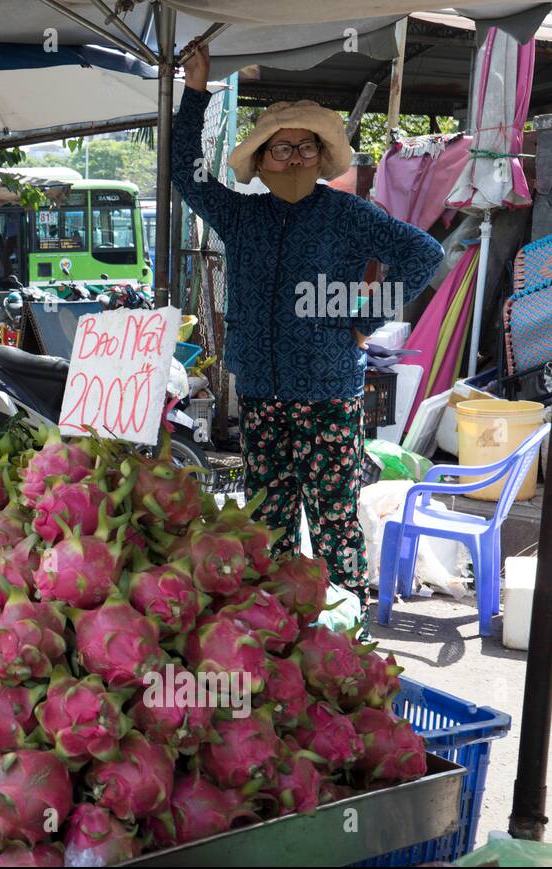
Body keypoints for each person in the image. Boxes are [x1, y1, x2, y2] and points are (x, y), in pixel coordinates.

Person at [174, 44, 443, 617]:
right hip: (261, 393)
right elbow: (187, 177)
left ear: (320, 156)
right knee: (266, 518)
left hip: (327, 394)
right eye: (281, 148)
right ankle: (278, 626)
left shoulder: (347, 214)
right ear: (263, 160)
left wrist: (362, 319)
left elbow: (424, 254)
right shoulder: (243, 214)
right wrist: (194, 95)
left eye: (305, 148)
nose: (293, 159)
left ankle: (345, 631)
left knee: (335, 520)